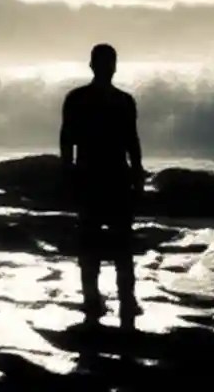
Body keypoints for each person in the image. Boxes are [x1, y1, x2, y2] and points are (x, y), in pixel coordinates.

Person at [59, 43, 145, 320]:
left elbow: (66, 139)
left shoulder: (78, 98)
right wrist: (137, 173)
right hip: (111, 177)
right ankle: (124, 301)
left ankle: (95, 298)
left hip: (93, 176)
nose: (109, 68)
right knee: (119, 244)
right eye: (109, 63)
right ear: (108, 66)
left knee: (93, 242)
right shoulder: (122, 100)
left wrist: (68, 170)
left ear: (92, 65)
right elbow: (132, 142)